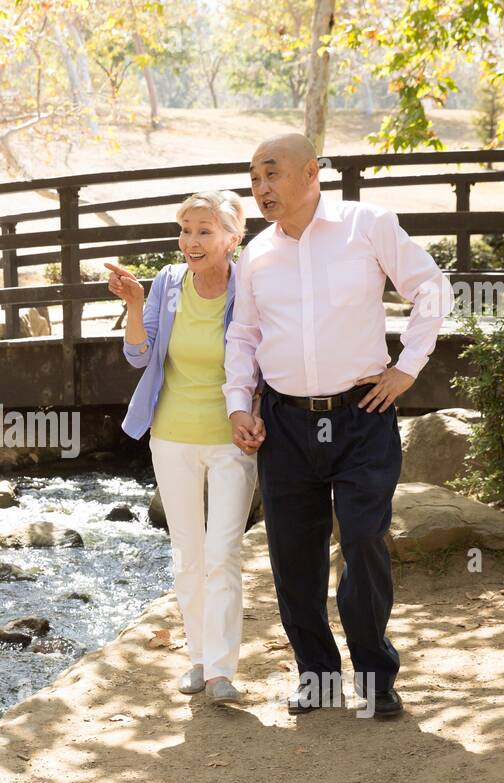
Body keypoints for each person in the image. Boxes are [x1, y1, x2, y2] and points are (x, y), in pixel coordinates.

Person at [224, 132, 453, 719]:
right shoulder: (256, 254)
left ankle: (376, 675)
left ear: (310, 173)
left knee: (363, 541)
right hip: (284, 422)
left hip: (362, 415)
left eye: (271, 173)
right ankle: (318, 676)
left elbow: (430, 286)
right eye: (253, 178)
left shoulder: (367, 225)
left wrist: (408, 368)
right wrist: (239, 404)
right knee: (292, 554)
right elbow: (244, 335)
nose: (261, 188)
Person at [109, 190, 263, 707]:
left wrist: (257, 410)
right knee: (187, 551)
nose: (191, 241)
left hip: (230, 440)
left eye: (204, 230)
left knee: (222, 552)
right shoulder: (168, 284)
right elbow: (138, 354)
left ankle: (222, 671)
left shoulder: (251, 285)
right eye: (186, 230)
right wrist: (134, 305)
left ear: (231, 238)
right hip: (171, 436)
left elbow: (267, 355)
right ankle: (198, 658)